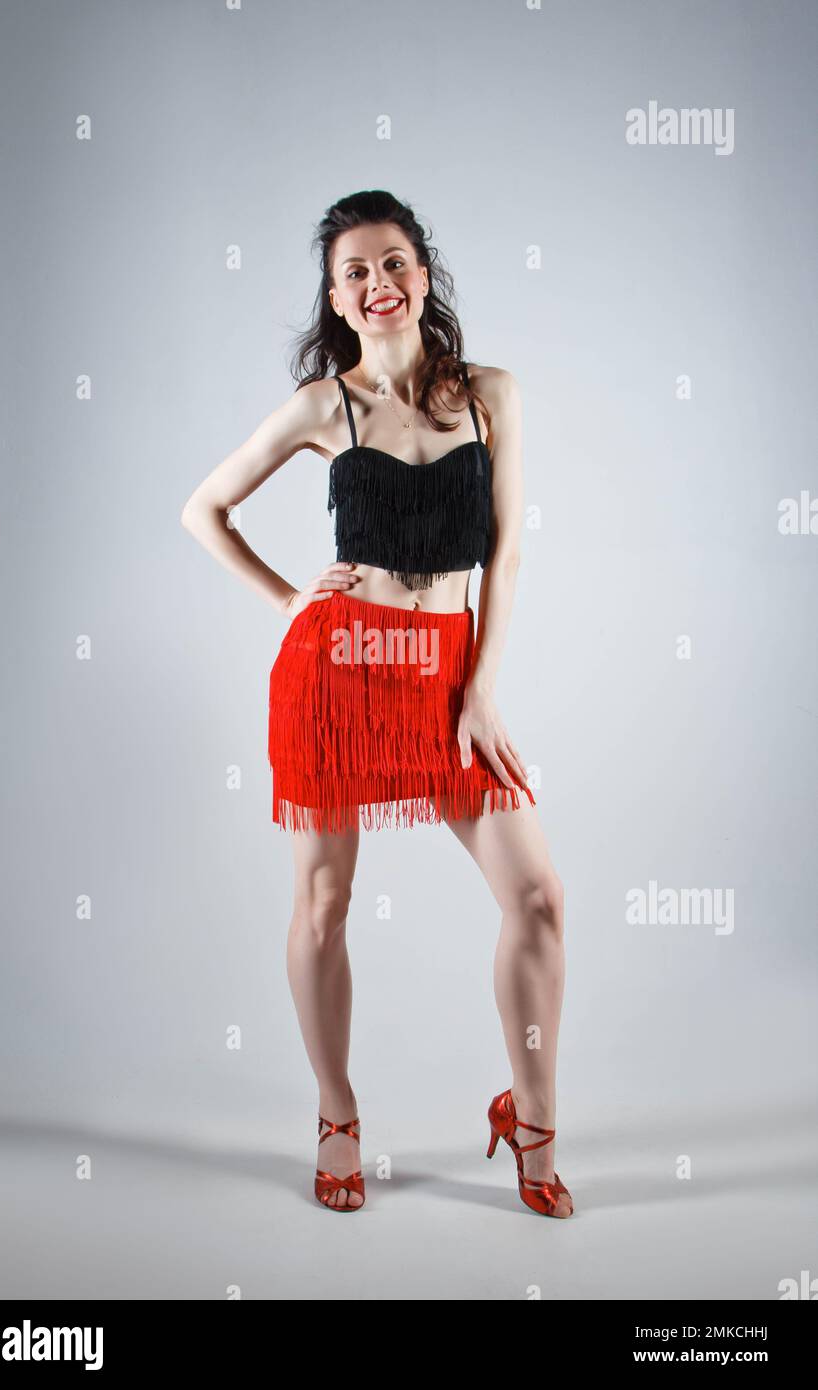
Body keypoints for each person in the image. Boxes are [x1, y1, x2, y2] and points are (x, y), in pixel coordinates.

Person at [181, 190, 572, 1218]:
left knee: (536, 901)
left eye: (391, 262)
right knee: (322, 903)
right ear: (337, 297)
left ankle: (530, 1119)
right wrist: (286, 604)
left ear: (422, 276)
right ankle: (336, 1112)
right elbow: (202, 507)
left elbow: (508, 552)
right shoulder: (325, 406)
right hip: (338, 672)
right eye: (354, 271)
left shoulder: (490, 393)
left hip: (446, 673)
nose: (376, 283)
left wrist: (479, 688)